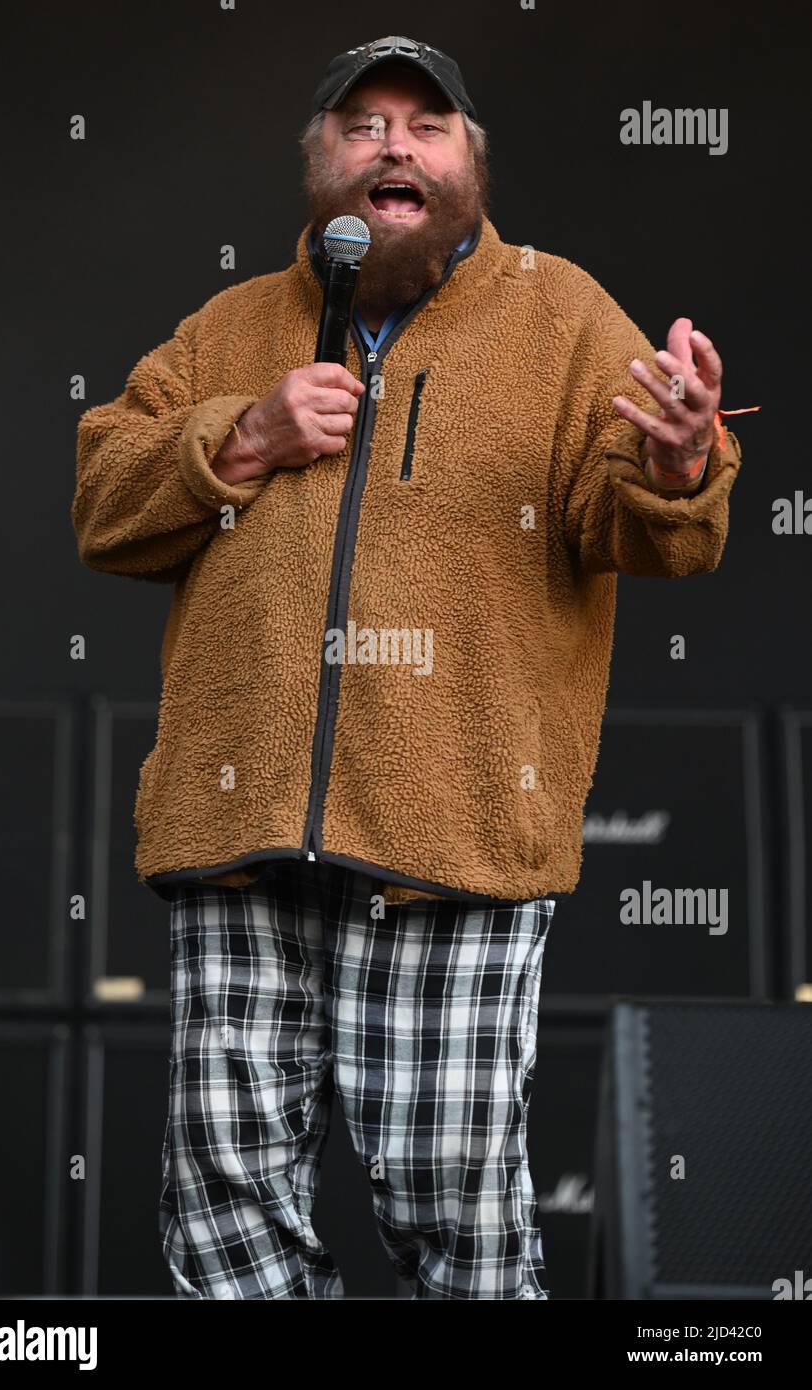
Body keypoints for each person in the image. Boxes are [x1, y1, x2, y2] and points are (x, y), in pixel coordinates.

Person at [71, 35, 744, 1299]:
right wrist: (242, 433)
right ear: (317, 166)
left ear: (469, 167)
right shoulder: (224, 331)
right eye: (361, 123)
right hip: (240, 823)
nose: (392, 144)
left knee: (455, 1210)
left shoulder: (560, 315)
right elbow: (102, 500)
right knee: (223, 1204)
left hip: (455, 835)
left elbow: (643, 523)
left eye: (424, 126)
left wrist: (675, 468)